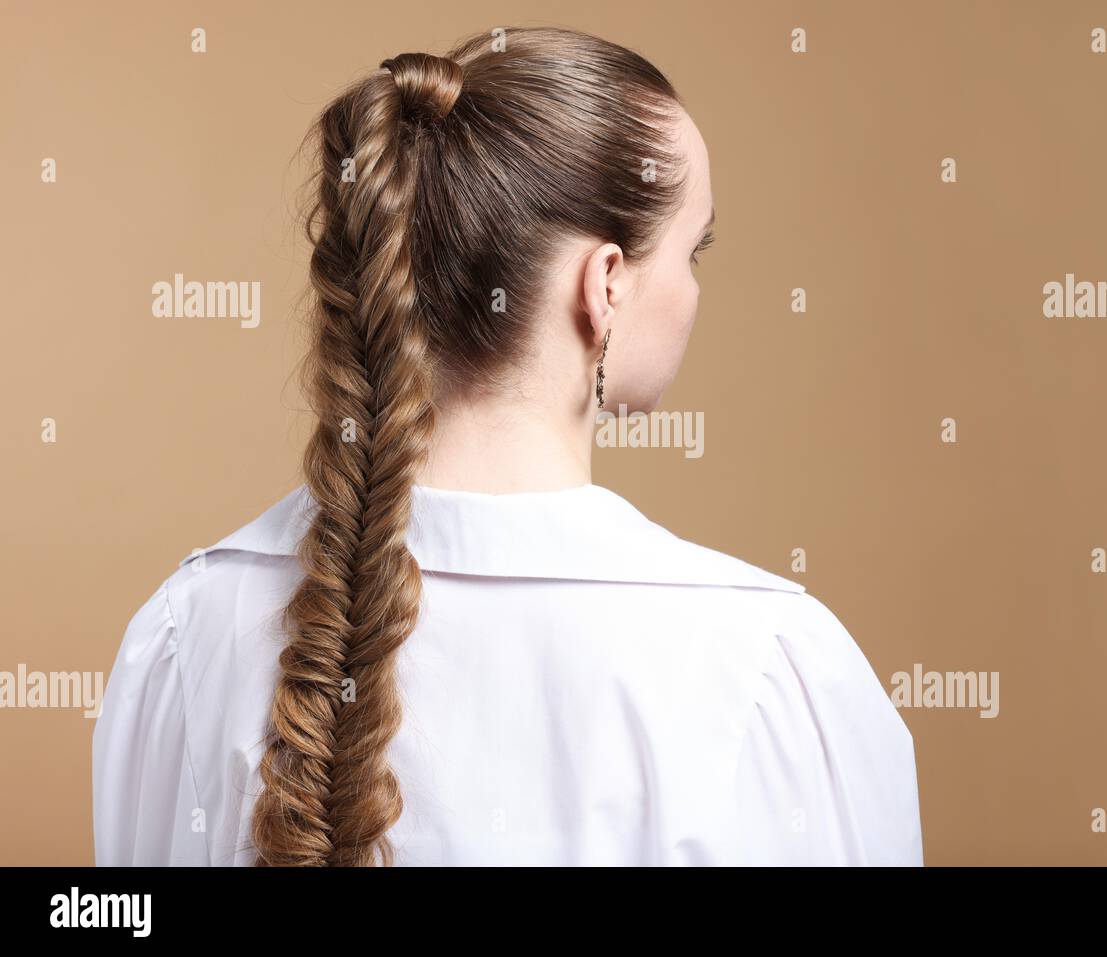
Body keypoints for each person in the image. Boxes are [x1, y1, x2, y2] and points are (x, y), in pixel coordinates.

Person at [91, 26, 923, 866]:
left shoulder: (181, 636)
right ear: (605, 286)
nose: (695, 288)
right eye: (691, 249)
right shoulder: (770, 671)